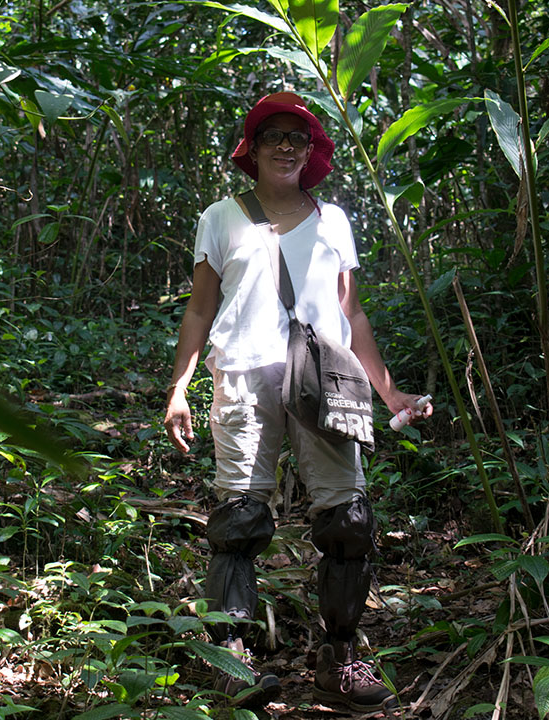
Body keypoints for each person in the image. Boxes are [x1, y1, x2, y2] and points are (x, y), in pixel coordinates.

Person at [163, 92, 432, 712]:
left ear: (311, 152)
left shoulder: (333, 220)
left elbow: (351, 312)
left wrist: (389, 390)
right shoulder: (221, 217)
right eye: (273, 136)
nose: (286, 146)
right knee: (239, 518)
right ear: (252, 148)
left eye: (298, 138)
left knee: (347, 520)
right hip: (242, 373)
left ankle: (339, 660)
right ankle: (232, 661)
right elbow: (200, 309)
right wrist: (178, 388)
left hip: (324, 378)